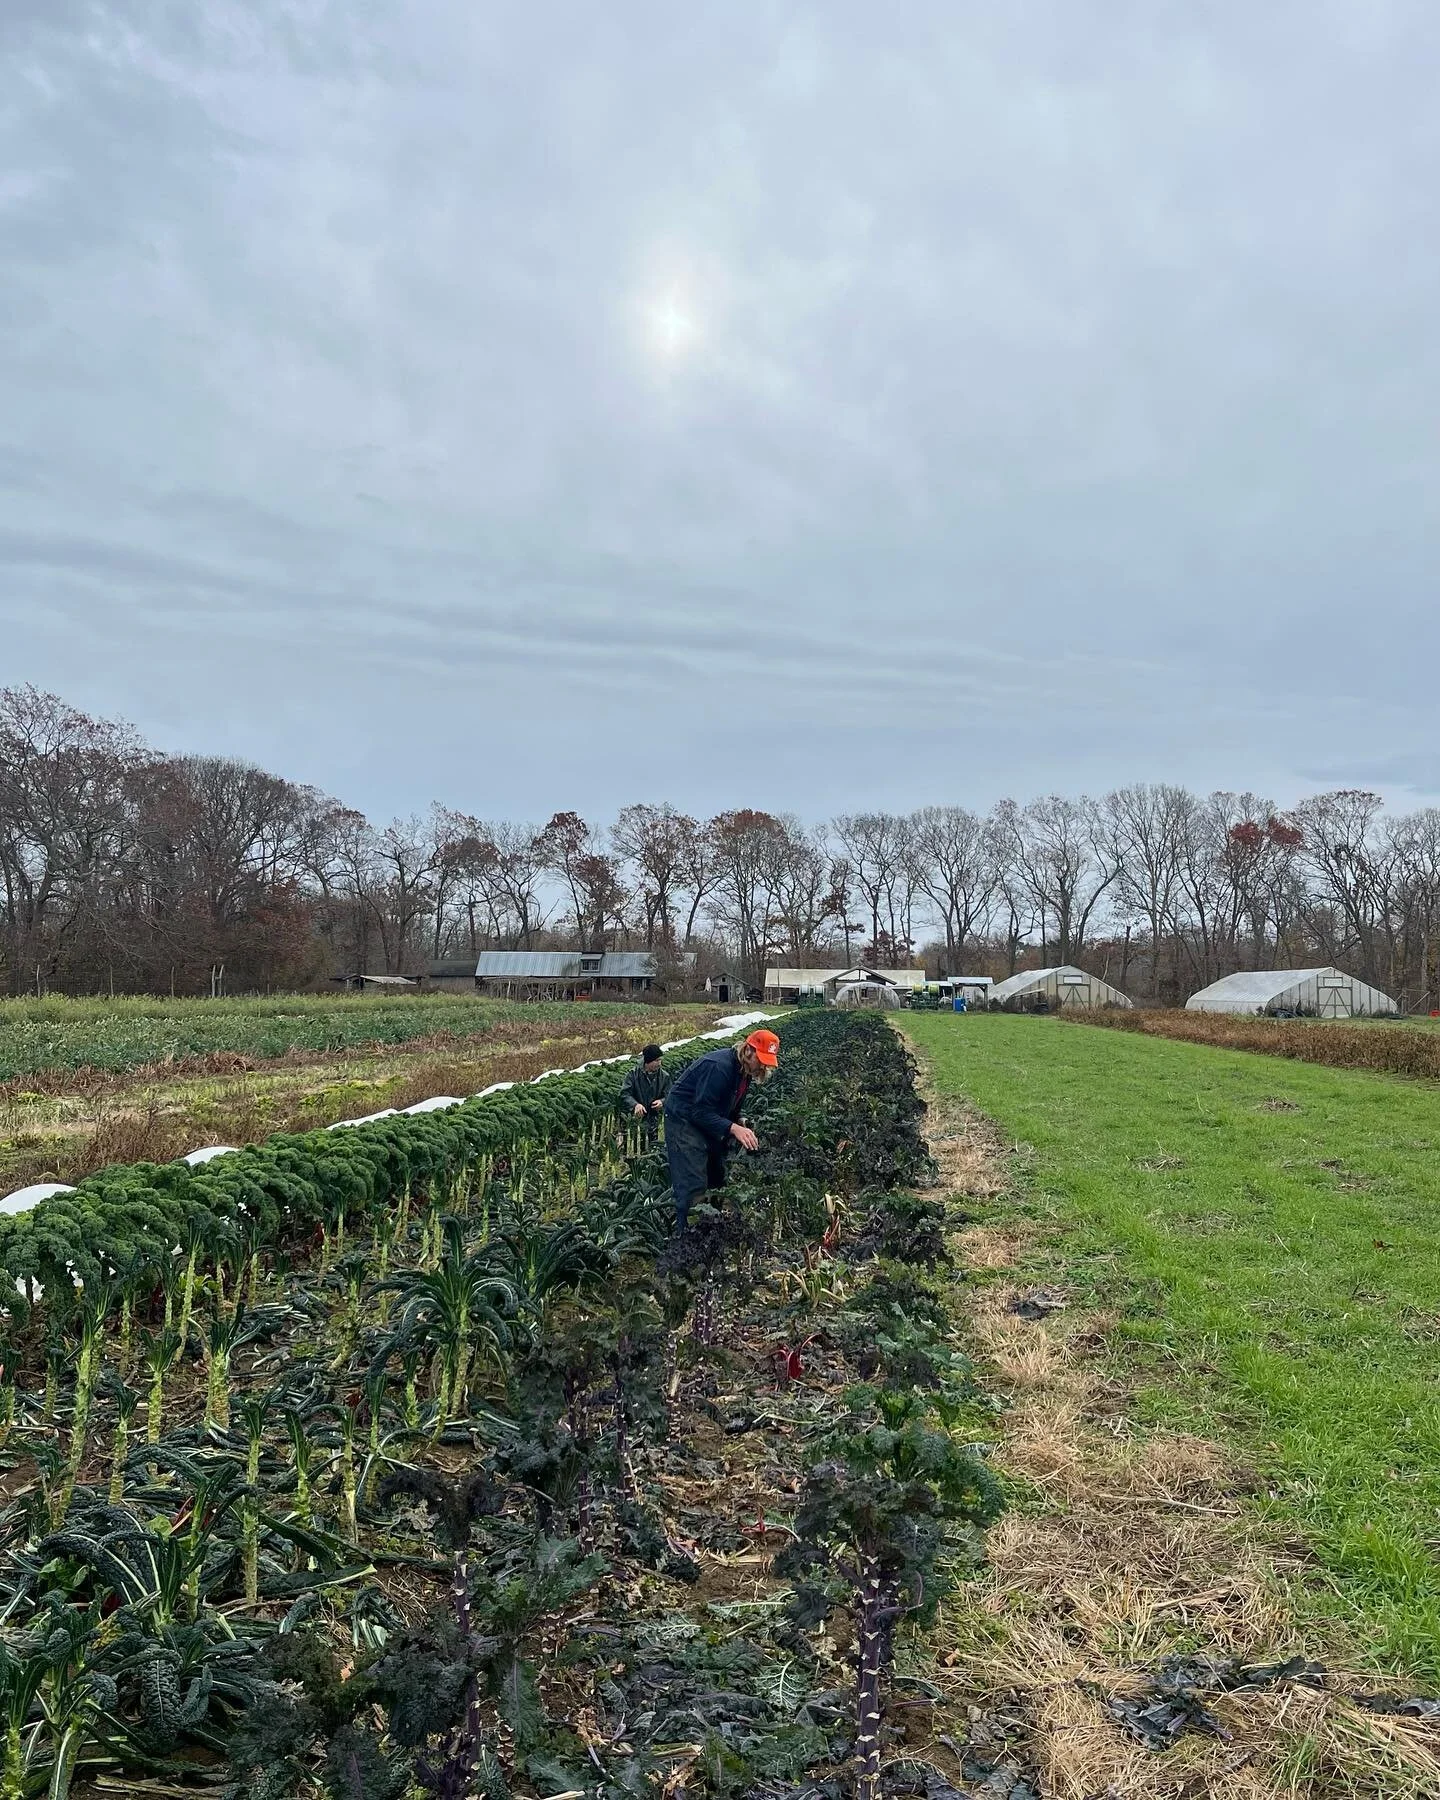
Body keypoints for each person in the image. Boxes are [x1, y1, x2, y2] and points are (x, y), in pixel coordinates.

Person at [663, 1027, 780, 1230]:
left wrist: (738, 1120)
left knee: (717, 1176)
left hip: (706, 1119)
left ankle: (712, 1231)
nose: (762, 1066)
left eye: (767, 1062)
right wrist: (732, 1128)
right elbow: (699, 1111)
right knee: (693, 1184)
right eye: (761, 1060)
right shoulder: (719, 1067)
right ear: (748, 1050)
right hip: (684, 1120)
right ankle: (687, 1237)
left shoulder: (744, 1072)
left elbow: (728, 1104)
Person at [618, 1043, 670, 1136]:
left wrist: (662, 1102)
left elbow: (670, 1095)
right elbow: (625, 1094)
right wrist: (635, 1105)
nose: (659, 1063)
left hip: (657, 1122)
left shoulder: (664, 1076)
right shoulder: (633, 1074)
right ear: (648, 1061)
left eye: (660, 1060)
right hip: (636, 1122)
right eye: (656, 1060)